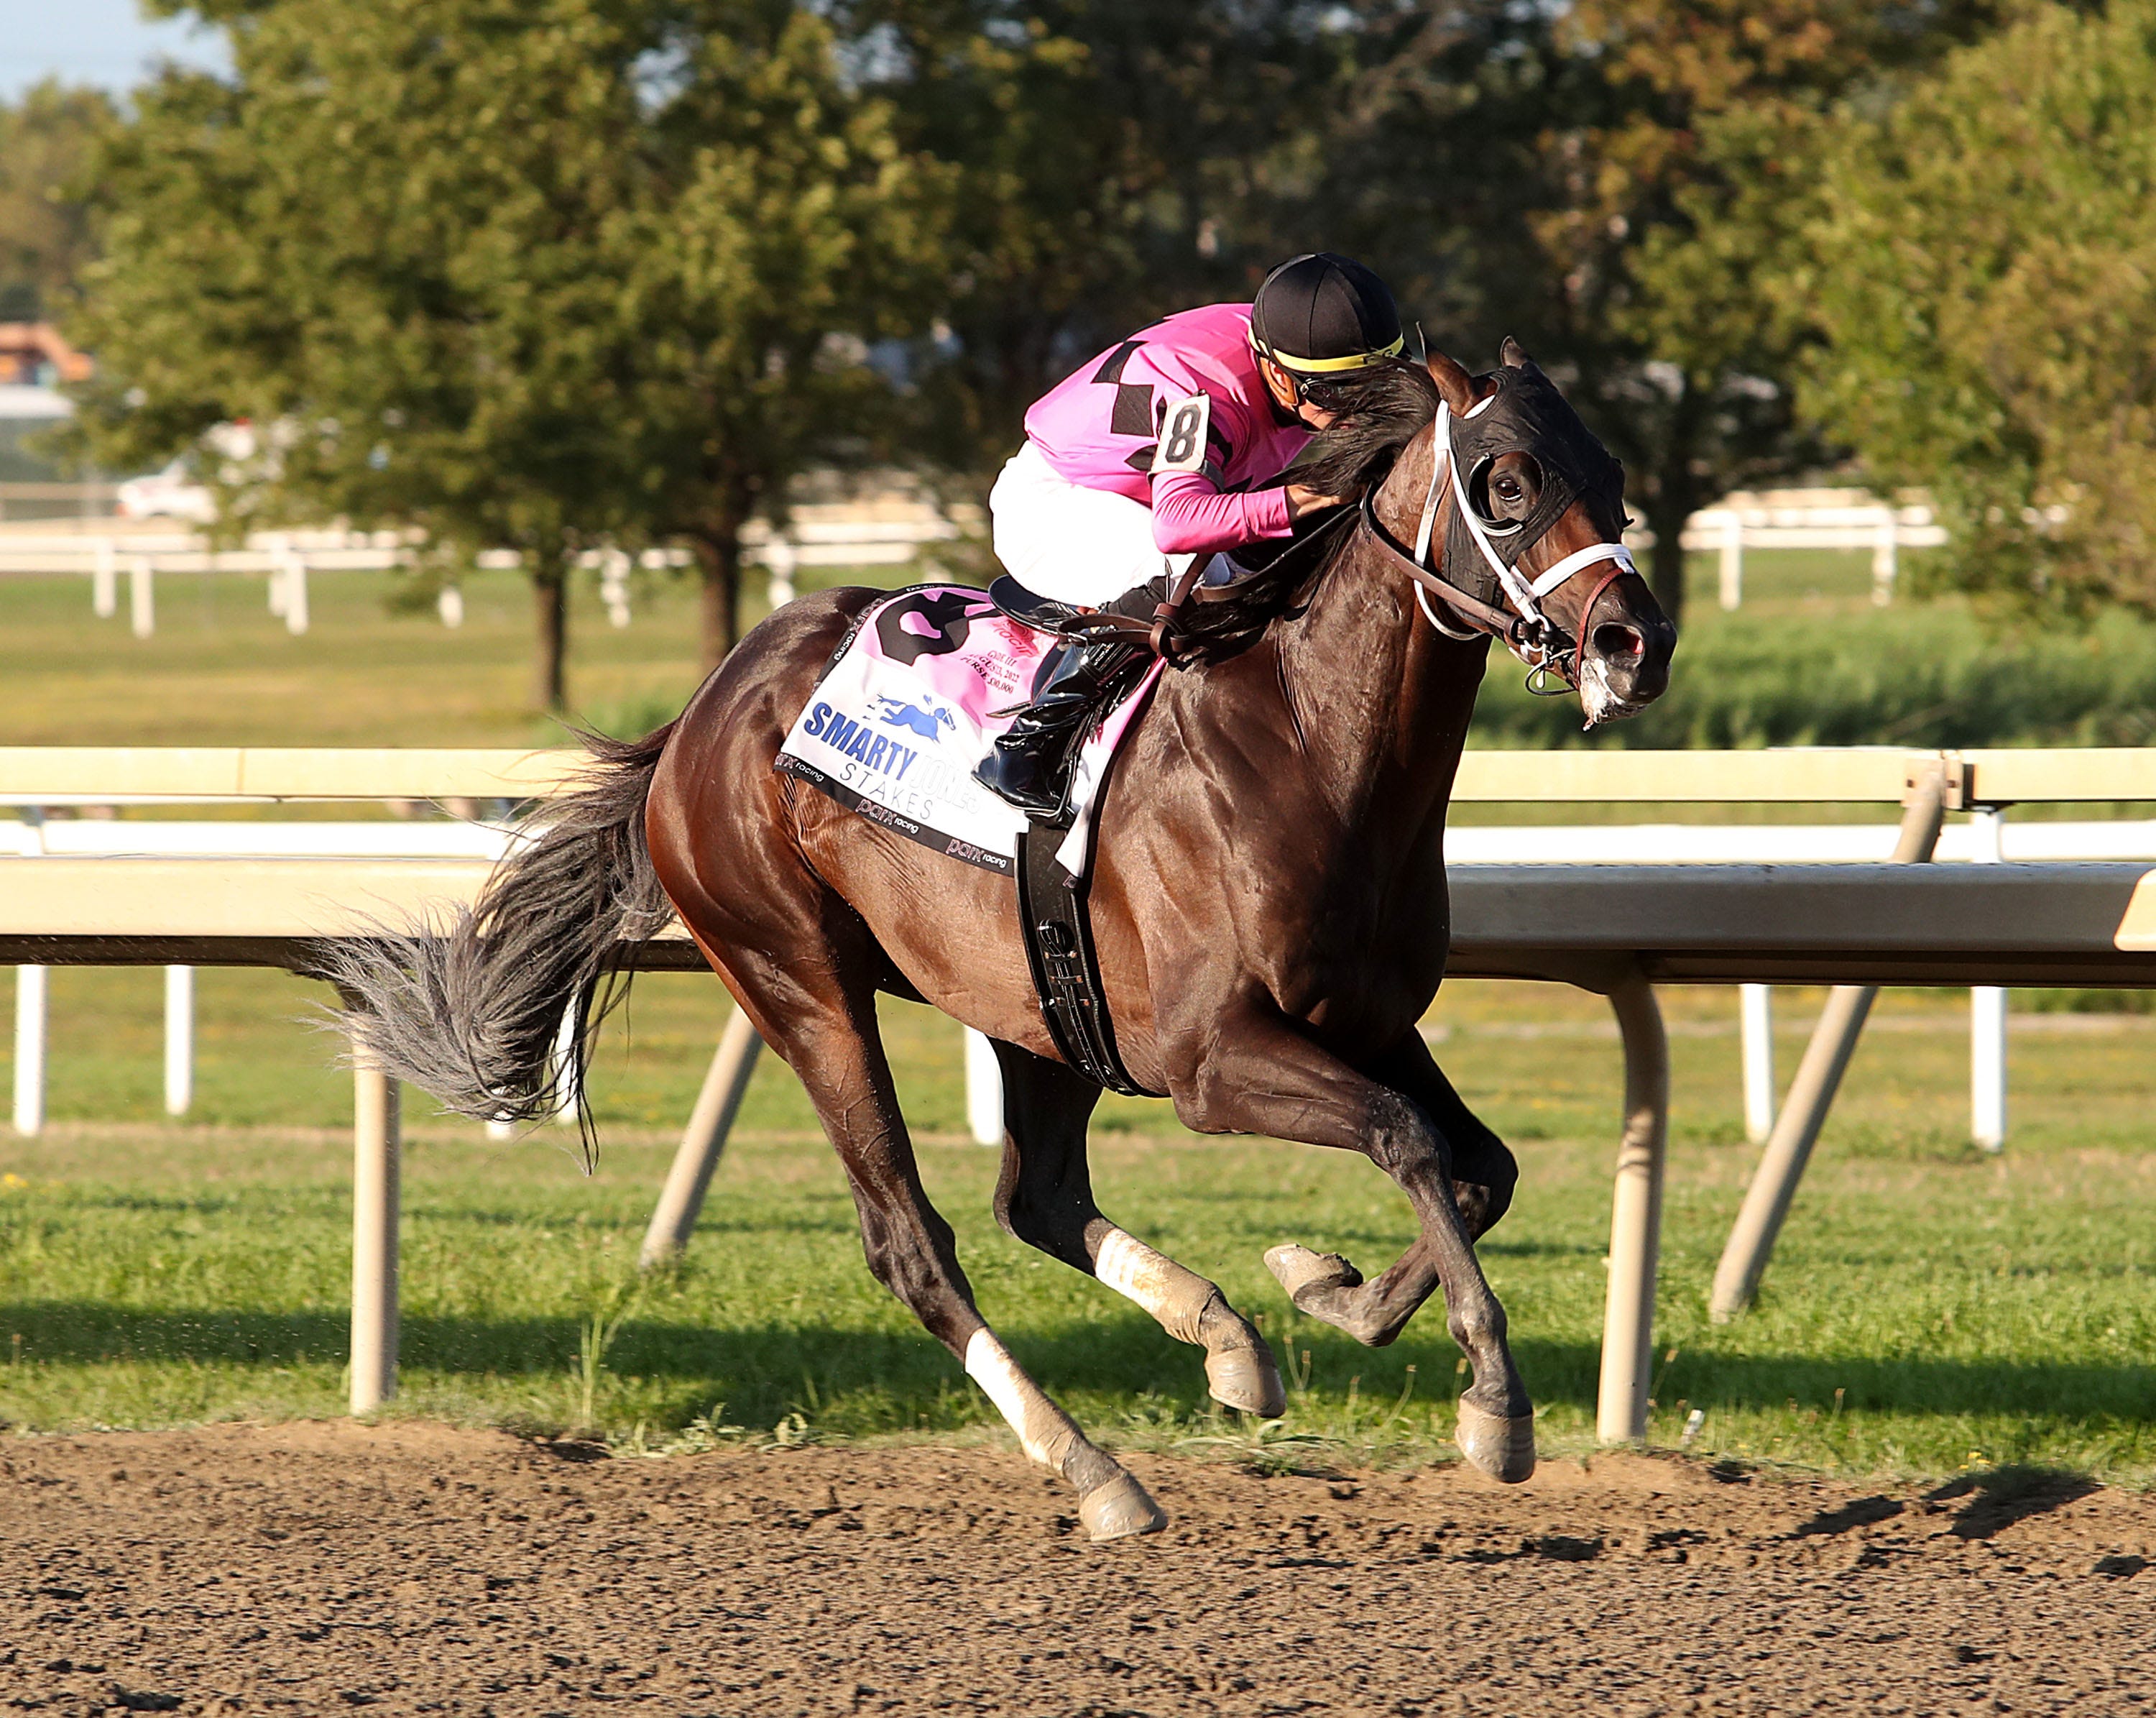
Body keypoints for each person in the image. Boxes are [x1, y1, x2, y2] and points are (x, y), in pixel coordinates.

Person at [975, 252, 1408, 814]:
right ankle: (1028, 744)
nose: (1354, 411)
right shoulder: (1203, 394)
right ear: (1276, 371)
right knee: (1198, 575)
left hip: (1150, 493)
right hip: (1058, 503)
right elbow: (1178, 527)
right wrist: (1313, 495)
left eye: (1368, 388)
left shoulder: (1299, 340)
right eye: (1333, 394)